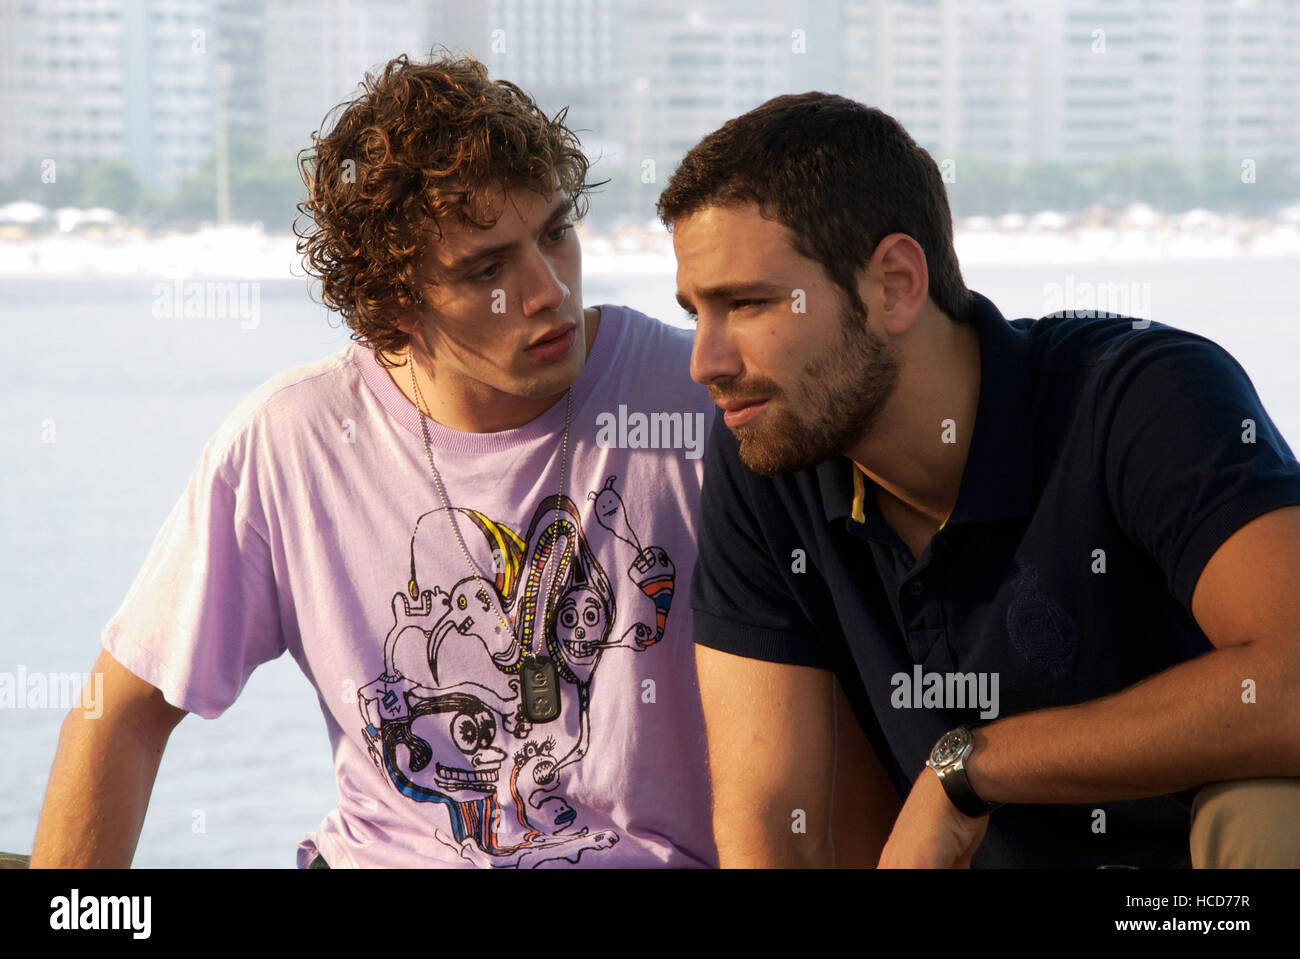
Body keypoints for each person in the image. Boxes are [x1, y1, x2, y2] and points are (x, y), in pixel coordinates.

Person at [30, 52, 718, 869]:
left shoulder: (700, 399)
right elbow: (124, 711)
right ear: (395, 306)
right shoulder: (292, 443)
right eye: (487, 268)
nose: (546, 291)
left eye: (556, 233)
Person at [659, 92, 1300, 868]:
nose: (706, 363)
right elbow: (771, 825)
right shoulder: (772, 445)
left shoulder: (1139, 395)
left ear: (896, 283)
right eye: (696, 311)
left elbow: (1291, 679)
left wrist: (970, 768)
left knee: (1268, 814)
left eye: (749, 303)